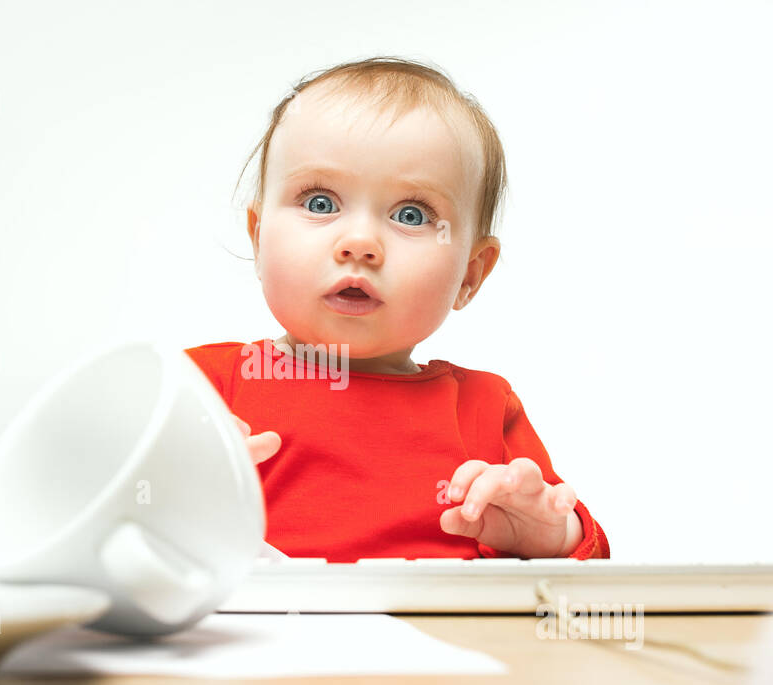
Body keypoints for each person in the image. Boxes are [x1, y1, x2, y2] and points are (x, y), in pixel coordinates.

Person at [187, 56, 608, 562]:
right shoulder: (202, 388)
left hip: (434, 638)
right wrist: (163, 475)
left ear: (470, 274)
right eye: (320, 203)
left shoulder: (482, 408)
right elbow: (94, 507)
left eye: (411, 215)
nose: (360, 243)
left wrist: (544, 534)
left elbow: (582, 555)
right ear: (259, 239)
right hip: (258, 635)